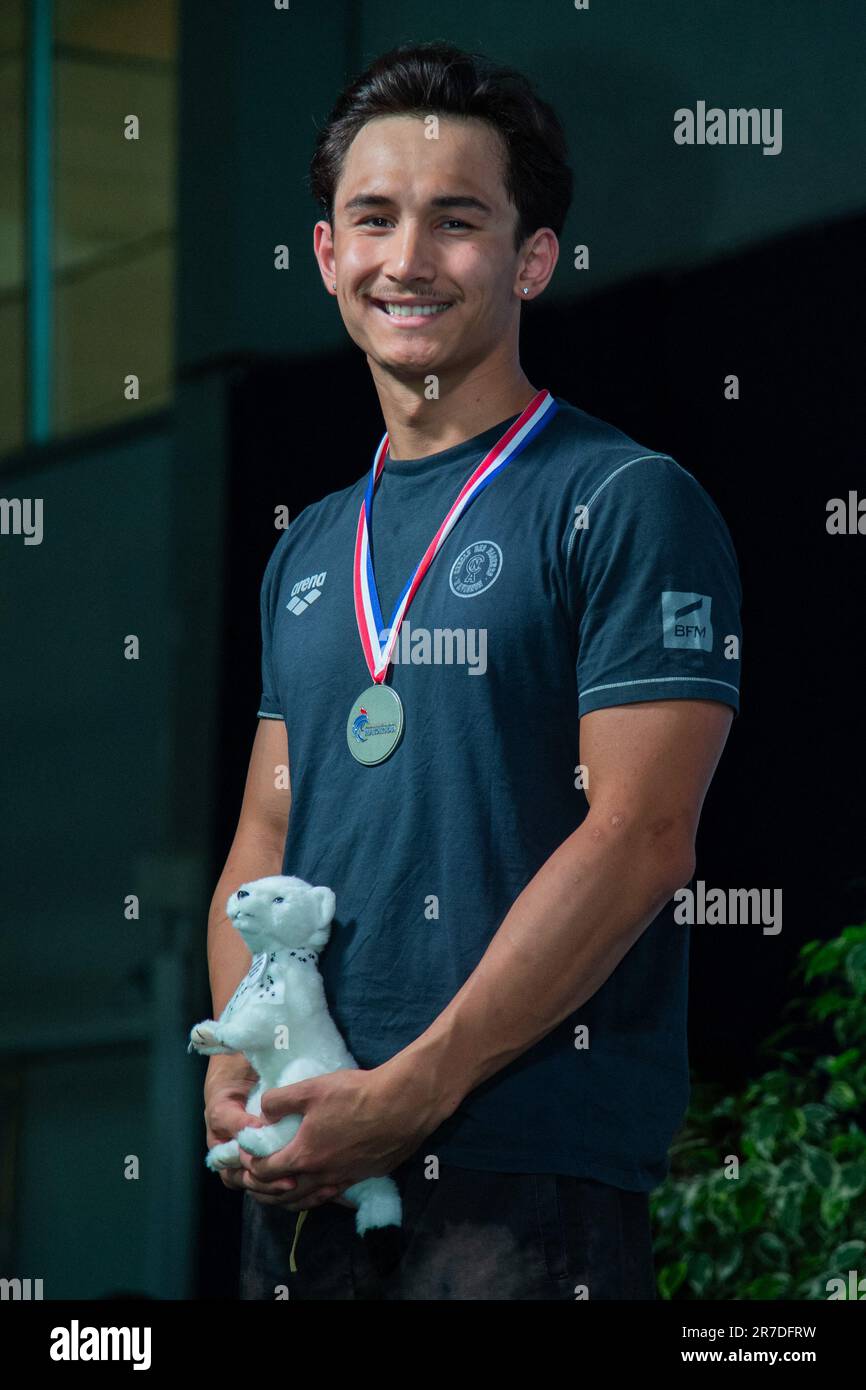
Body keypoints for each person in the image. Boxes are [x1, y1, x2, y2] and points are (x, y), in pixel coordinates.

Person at [203, 41, 743, 1300]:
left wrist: (414, 1088)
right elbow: (261, 839)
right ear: (328, 253)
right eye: (372, 219)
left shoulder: (621, 499)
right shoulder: (306, 545)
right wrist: (242, 1065)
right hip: (306, 1167)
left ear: (530, 258)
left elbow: (642, 836)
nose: (406, 259)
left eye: (456, 222)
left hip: (521, 1175)